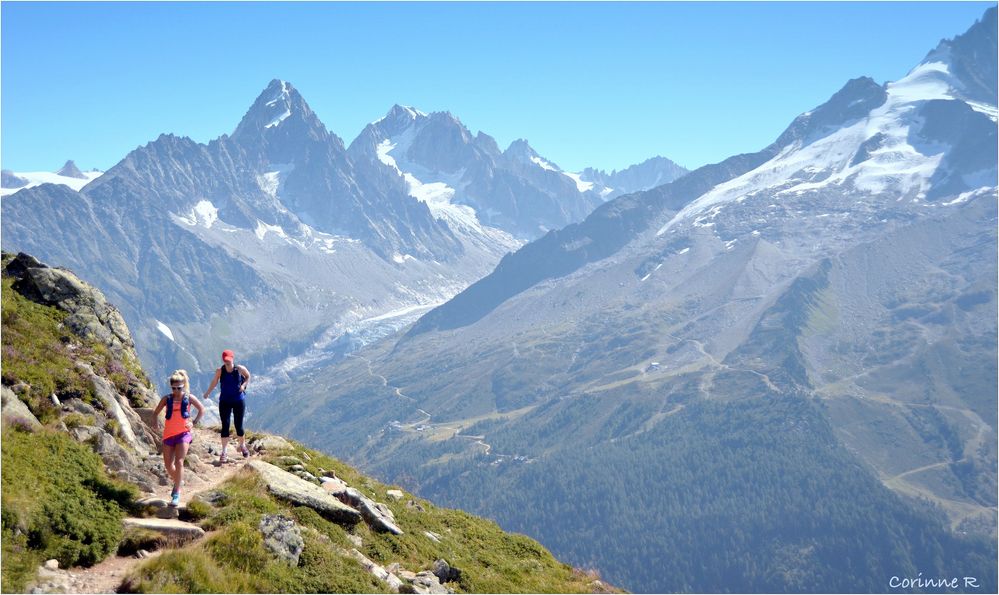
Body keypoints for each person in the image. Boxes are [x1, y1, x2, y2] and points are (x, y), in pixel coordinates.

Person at [152, 370, 205, 507]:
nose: (176, 391)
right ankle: (179, 480)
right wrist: (155, 423)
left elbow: (201, 409)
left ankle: (176, 492)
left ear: (184, 386)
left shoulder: (189, 398)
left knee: (179, 462)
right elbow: (156, 412)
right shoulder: (166, 399)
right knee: (169, 466)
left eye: (179, 388)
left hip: (184, 434)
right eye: (174, 388)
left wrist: (194, 422)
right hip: (168, 435)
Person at [203, 349, 252, 463]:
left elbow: (248, 376)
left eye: (229, 360)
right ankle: (224, 452)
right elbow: (215, 381)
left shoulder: (239, 369)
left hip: (238, 400)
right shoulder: (220, 371)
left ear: (232, 359)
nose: (227, 363)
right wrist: (208, 392)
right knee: (225, 425)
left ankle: (242, 446)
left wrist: (244, 385)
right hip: (225, 401)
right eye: (226, 361)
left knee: (238, 425)